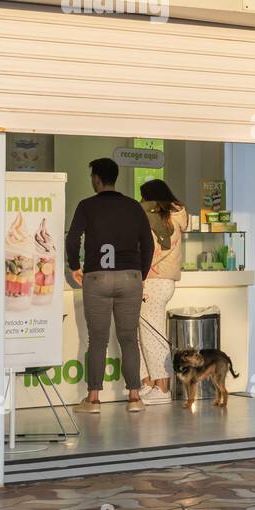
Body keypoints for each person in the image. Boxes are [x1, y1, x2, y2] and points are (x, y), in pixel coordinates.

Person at [66, 158, 154, 414]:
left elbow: (73, 240)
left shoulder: (86, 206)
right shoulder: (133, 207)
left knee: (98, 340)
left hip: (97, 277)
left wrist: (74, 266)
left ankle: (93, 399)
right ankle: (135, 397)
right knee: (129, 338)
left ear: (96, 178)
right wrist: (141, 274)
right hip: (130, 278)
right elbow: (147, 244)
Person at [137, 179, 188, 405]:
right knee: (147, 333)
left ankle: (162, 386)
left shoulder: (163, 220)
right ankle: (151, 383)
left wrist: (143, 268)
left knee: (152, 335)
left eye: (143, 198)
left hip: (155, 280)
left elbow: (155, 249)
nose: (141, 202)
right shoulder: (174, 216)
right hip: (161, 281)